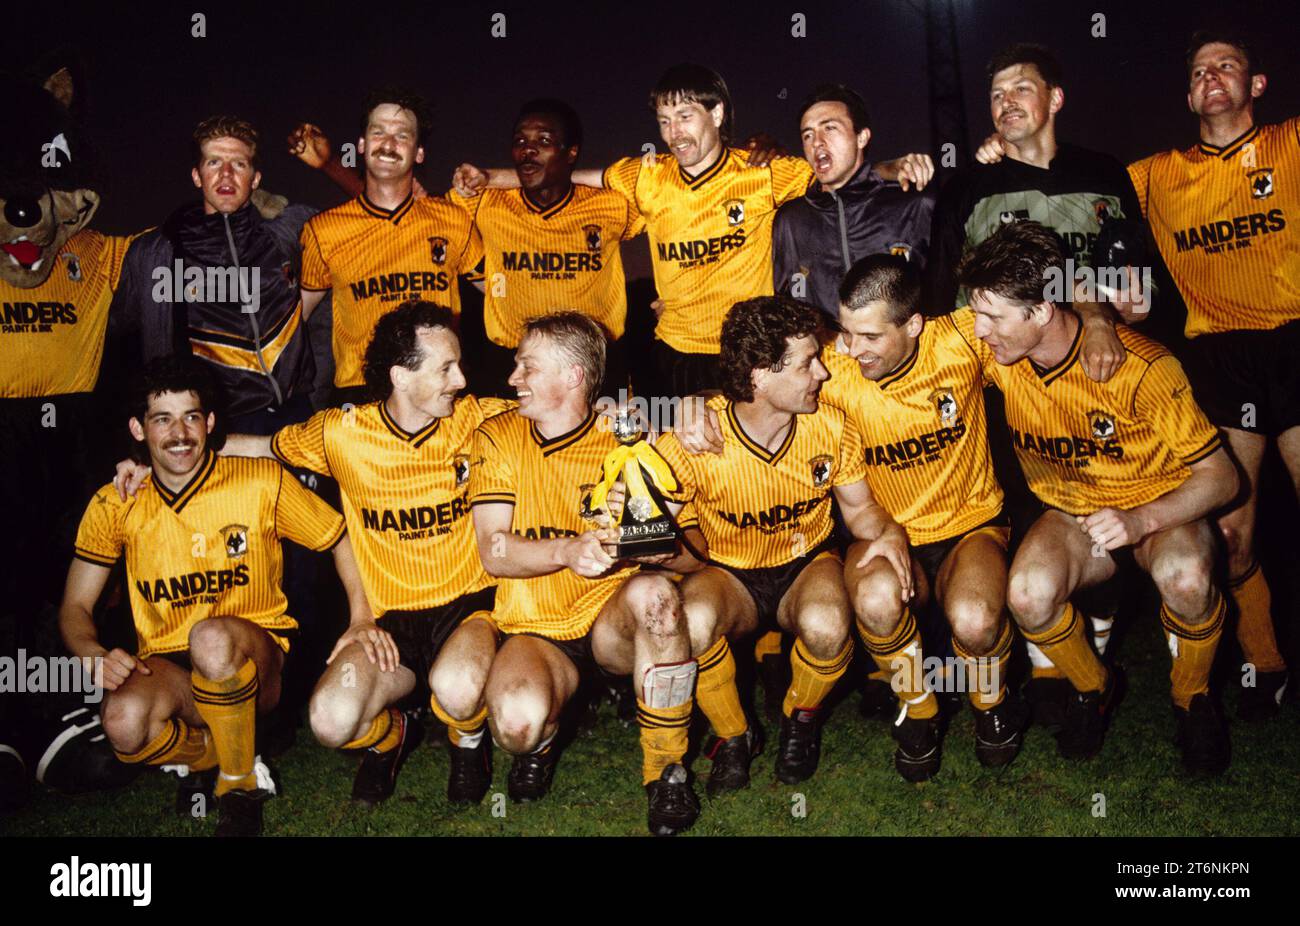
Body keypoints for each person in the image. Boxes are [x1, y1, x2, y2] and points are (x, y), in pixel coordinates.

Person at [118, 301, 511, 805]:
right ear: (400, 375)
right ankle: (391, 737)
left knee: (456, 688)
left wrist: (611, 412)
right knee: (330, 721)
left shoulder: (476, 418)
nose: (461, 378)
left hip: (466, 606)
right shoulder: (340, 433)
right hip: (389, 618)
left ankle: (468, 742)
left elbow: (547, 412)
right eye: (446, 368)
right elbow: (258, 446)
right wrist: (159, 461)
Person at [453, 64, 934, 400]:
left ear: (718, 114)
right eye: (664, 120)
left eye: (685, 116)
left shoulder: (764, 171)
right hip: (675, 355)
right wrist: (489, 177)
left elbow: (838, 173)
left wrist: (889, 167)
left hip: (748, 352)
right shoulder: (646, 176)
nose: (674, 132)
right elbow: (564, 174)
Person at [953, 221, 1239, 774]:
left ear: (1040, 311)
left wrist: (1140, 519)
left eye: (991, 317)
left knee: (1185, 578)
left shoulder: (1144, 367)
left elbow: (1223, 477)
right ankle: (1096, 686)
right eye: (976, 313)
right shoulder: (998, 351)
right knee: (1028, 594)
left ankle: (1192, 700)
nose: (979, 328)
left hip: (1158, 504)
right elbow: (895, 339)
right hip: (1073, 512)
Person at [59, 356, 367, 835]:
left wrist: (361, 616)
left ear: (211, 424)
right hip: (169, 663)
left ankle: (240, 784)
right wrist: (91, 653)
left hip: (253, 660)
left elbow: (339, 536)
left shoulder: (258, 482)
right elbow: (75, 606)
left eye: (191, 417)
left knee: (210, 638)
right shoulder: (115, 502)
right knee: (122, 721)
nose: (179, 433)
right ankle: (215, 754)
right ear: (138, 431)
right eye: (163, 419)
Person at [430, 312, 707, 835]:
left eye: (527, 367)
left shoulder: (630, 432)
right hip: (539, 627)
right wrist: (567, 550)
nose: (513, 379)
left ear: (574, 376)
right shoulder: (499, 436)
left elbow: (697, 556)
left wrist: (649, 542)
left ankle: (666, 770)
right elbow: (494, 551)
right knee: (515, 726)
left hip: (612, 621)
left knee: (657, 596)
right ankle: (545, 737)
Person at [653, 295, 911, 791]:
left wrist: (888, 530)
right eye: (806, 363)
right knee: (696, 621)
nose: (822, 373)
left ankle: (801, 717)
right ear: (759, 376)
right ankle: (734, 737)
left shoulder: (828, 425)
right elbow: (659, 530)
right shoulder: (697, 438)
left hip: (803, 565)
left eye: (819, 357)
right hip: (731, 572)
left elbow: (858, 509)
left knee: (828, 625)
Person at [1125, 31, 1297, 718]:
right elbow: (1072, 190)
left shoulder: (1288, 144)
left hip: (1295, 340)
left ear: (1255, 85)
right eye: (1199, 71)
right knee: (1230, 537)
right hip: (1222, 356)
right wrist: (999, 154)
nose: (1212, 77)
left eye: (1227, 66)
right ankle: (1266, 664)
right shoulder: (1157, 172)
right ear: (1188, 94)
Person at [819, 255, 1024, 777]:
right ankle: (920, 710)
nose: (852, 349)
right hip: (884, 533)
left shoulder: (961, 340)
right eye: (845, 332)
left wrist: (1093, 322)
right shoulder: (833, 371)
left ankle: (990, 704)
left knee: (976, 620)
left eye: (869, 336)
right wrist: (687, 411)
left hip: (969, 526)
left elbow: (1039, 325)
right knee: (874, 597)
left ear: (914, 325)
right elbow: (754, 390)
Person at [113, 116, 318, 432]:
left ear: (256, 178)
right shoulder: (155, 253)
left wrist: (330, 165)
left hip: (296, 417)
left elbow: (364, 223)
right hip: (215, 428)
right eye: (214, 162)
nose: (226, 174)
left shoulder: (286, 233)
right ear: (197, 176)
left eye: (239, 164)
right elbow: (115, 339)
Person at [298, 87, 483, 405]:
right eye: (378, 132)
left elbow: (503, 292)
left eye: (402, 135)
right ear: (361, 145)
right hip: (361, 394)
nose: (388, 143)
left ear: (419, 153)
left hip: (439, 389)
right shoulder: (323, 230)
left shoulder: (452, 220)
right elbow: (293, 318)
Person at [772, 84, 935, 319]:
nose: (816, 142)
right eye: (807, 135)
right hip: (830, 354)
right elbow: (784, 304)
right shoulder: (791, 220)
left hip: (904, 354)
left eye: (829, 128)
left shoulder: (915, 204)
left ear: (862, 137)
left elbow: (945, 291)